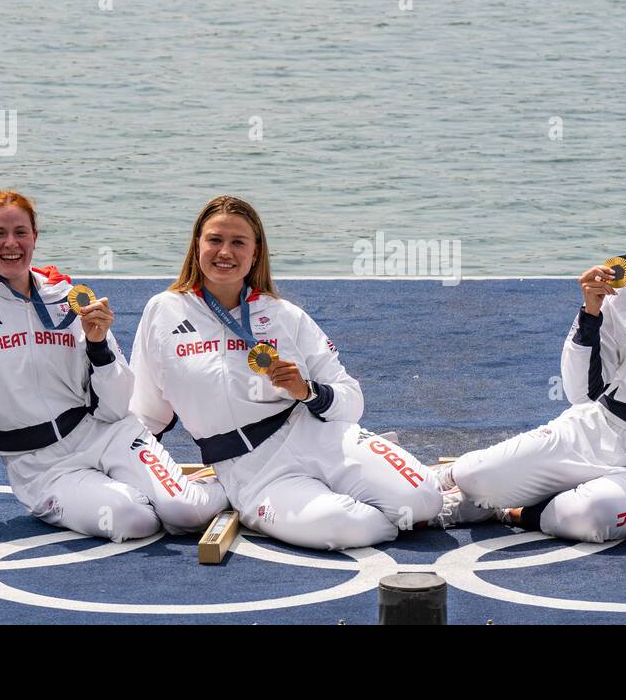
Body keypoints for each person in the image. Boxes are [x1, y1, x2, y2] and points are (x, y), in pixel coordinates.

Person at [0, 190, 227, 542]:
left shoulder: (67, 296)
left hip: (106, 434)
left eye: (21, 232)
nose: (11, 243)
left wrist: (99, 344)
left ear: (35, 237)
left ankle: (231, 486)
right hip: (41, 467)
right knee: (133, 520)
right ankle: (158, 490)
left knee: (187, 513)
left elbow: (118, 404)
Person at [433, 169, 626, 542]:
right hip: (592, 433)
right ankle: (445, 481)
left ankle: (511, 510)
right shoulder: (624, 289)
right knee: (475, 477)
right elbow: (580, 393)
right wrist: (590, 311)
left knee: (592, 519)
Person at [128, 196, 443, 551]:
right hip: (250, 471)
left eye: (238, 242)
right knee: (341, 527)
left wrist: (306, 390)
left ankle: (420, 499)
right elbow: (145, 413)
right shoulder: (163, 311)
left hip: (317, 436)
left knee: (425, 498)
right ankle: (393, 513)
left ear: (256, 252)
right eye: (214, 240)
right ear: (197, 243)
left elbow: (351, 401)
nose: (225, 252)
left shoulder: (284, 314)